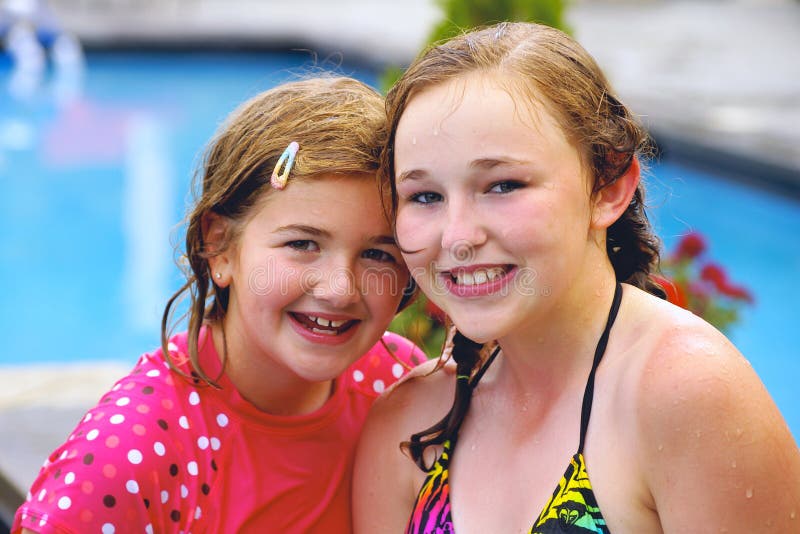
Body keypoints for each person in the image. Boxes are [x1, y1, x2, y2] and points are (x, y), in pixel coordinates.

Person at [353, 22, 800, 533]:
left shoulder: (684, 398)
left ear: (609, 186)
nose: (457, 236)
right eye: (425, 196)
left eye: (502, 185)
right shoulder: (412, 424)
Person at [13, 76, 424, 534]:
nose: (340, 288)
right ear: (220, 246)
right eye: (303, 243)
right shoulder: (132, 452)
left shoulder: (399, 385)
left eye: (377, 254)